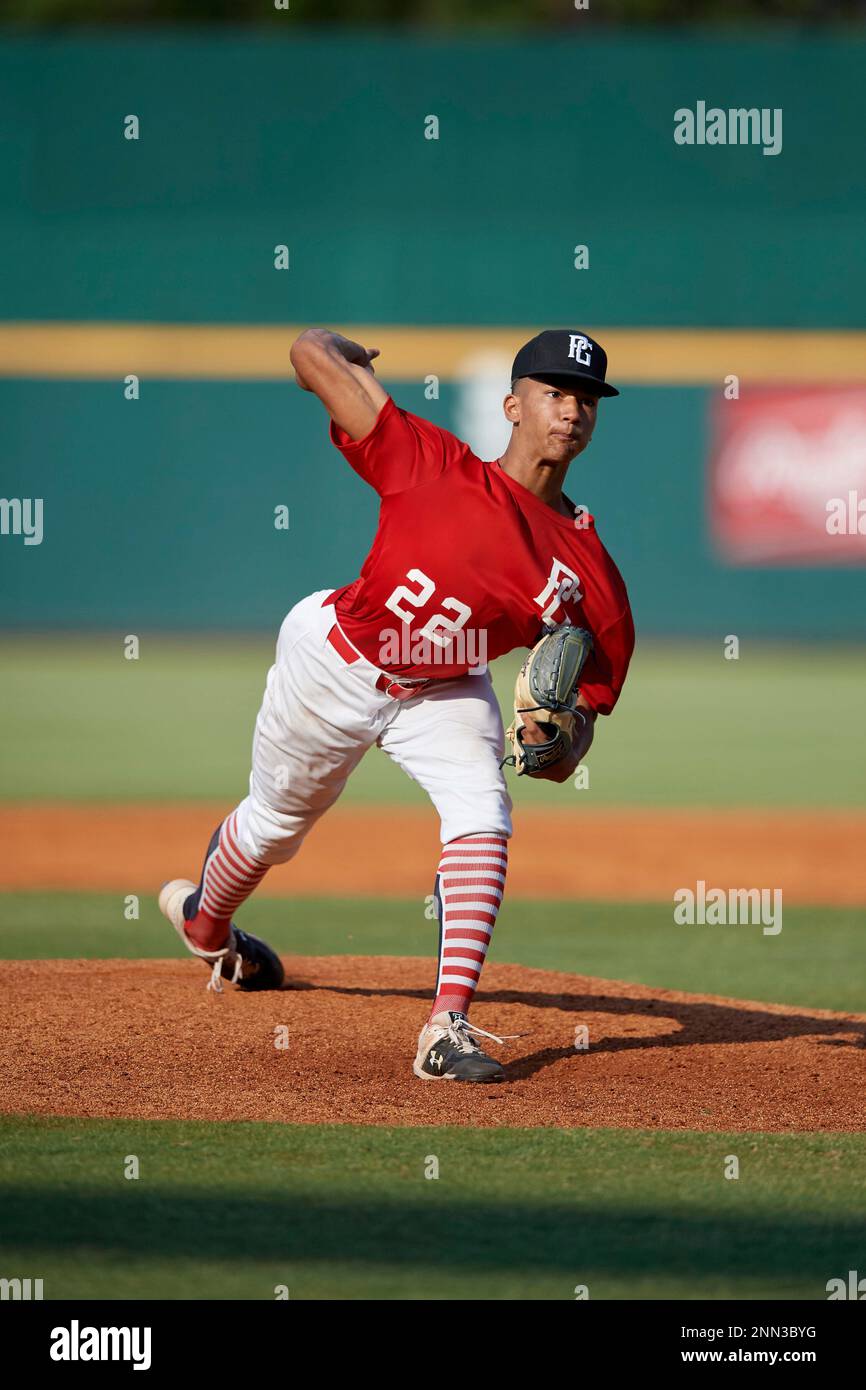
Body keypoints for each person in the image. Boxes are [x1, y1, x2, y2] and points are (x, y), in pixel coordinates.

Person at [159, 327, 635, 1083]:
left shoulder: (589, 576)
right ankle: (204, 921)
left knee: (484, 811)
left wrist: (552, 742)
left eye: (587, 399)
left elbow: (575, 736)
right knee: (276, 828)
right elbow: (309, 357)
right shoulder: (429, 462)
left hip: (447, 689)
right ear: (513, 404)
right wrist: (333, 345)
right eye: (555, 392)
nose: (572, 410)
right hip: (335, 662)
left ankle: (445, 1027)